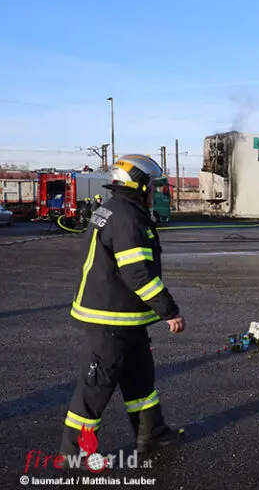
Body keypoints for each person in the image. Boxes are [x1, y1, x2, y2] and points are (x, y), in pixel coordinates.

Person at [60, 154, 185, 462]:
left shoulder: (115, 209)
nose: (153, 192)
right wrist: (169, 311)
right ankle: (73, 455)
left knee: (140, 379)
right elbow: (137, 273)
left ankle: (151, 434)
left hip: (126, 318)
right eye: (152, 186)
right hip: (109, 319)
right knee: (95, 389)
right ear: (140, 185)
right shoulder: (128, 217)